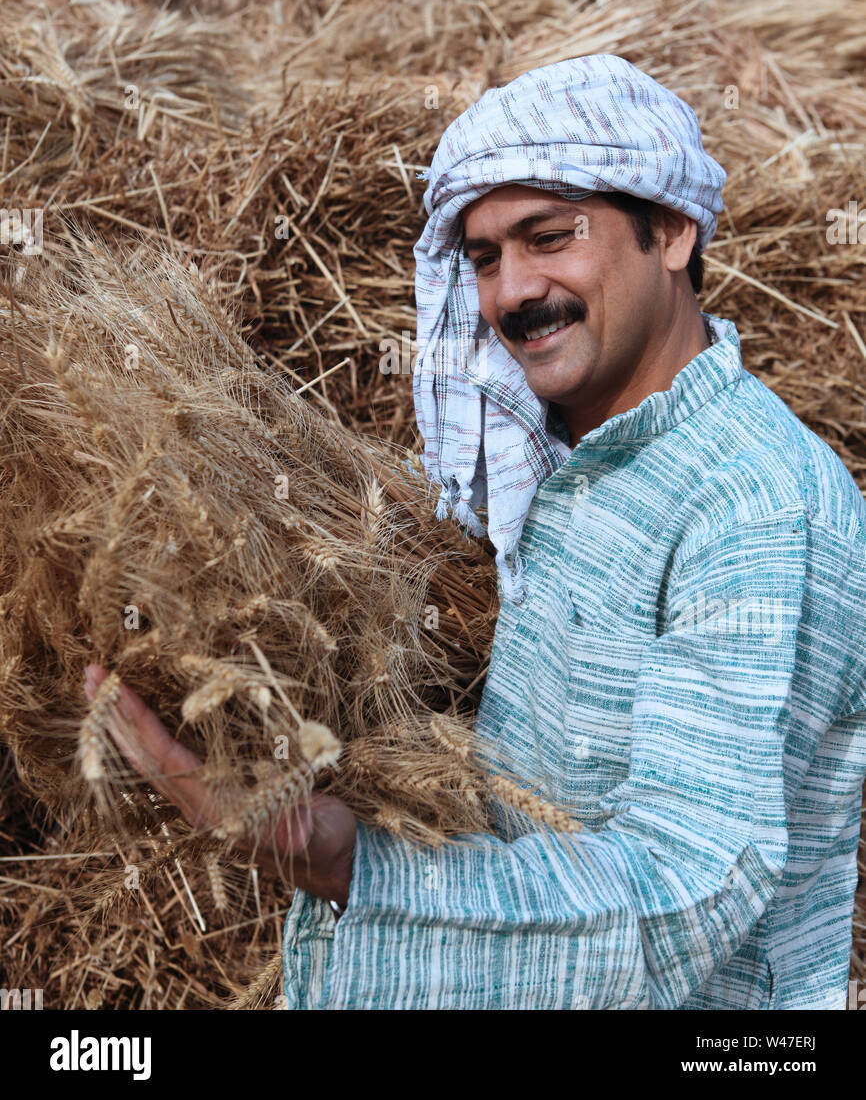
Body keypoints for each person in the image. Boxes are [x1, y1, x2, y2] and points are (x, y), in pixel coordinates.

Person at [85, 54, 866, 1010]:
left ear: (670, 231)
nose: (509, 293)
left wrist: (346, 865)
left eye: (549, 237)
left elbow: (691, 881)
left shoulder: (757, 506)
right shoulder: (571, 462)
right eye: (486, 256)